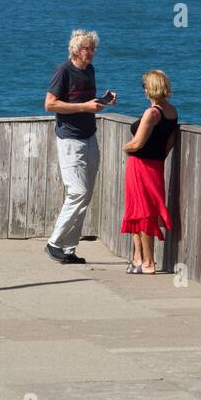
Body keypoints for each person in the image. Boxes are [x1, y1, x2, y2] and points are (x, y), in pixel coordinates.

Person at [44, 29, 116, 264]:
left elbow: (85, 102)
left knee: (86, 196)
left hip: (90, 136)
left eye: (93, 48)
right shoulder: (63, 71)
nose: (92, 53)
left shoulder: (90, 71)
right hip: (70, 140)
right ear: (76, 49)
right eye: (87, 48)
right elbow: (50, 104)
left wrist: (101, 102)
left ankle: (69, 249)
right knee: (78, 192)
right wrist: (85, 107)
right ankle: (54, 242)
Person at [121, 70, 177, 274]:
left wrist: (124, 148)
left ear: (149, 89)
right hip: (156, 165)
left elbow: (137, 143)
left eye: (144, 86)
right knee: (140, 211)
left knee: (142, 212)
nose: (143, 90)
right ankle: (137, 258)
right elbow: (169, 143)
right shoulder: (171, 112)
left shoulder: (152, 113)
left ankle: (148, 262)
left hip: (140, 165)